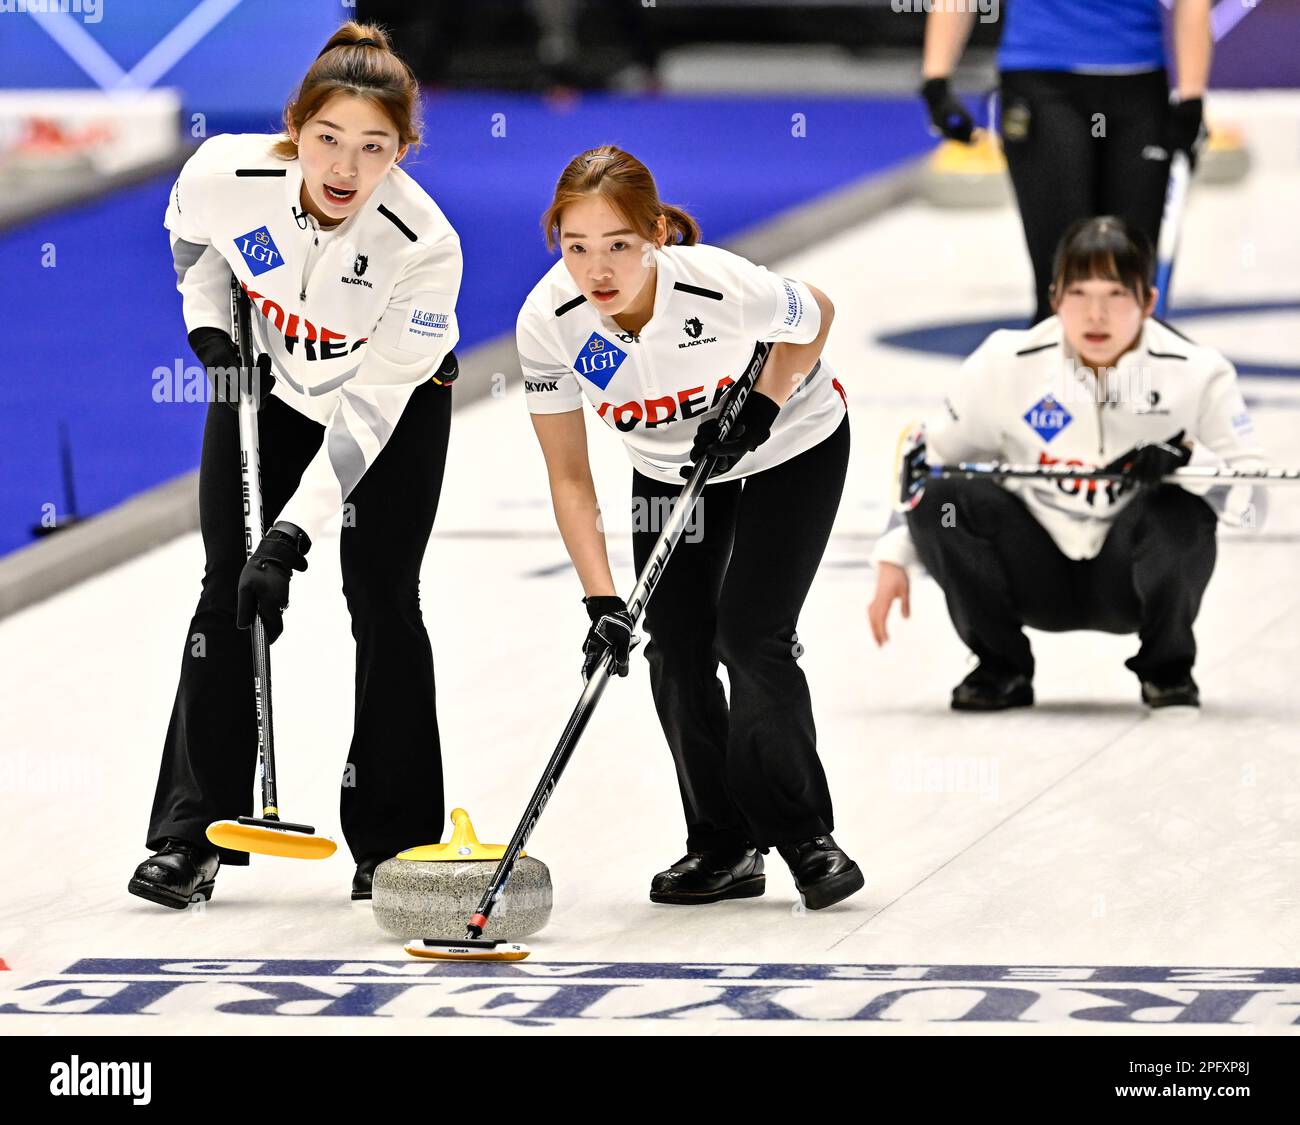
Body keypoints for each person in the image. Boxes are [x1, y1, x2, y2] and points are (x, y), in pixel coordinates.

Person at [131, 22, 462, 909]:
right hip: (267, 387)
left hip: (391, 406)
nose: (345, 168)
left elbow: (365, 418)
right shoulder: (225, 173)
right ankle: (190, 833)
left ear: (404, 149)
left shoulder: (422, 245)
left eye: (374, 147)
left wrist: (288, 538)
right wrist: (207, 326)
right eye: (327, 139)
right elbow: (189, 236)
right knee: (222, 592)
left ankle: (394, 842)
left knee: (385, 601)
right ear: (294, 127)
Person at [516, 145, 863, 911]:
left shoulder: (714, 281)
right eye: (576, 248)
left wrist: (766, 401)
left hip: (790, 448)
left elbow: (818, 313)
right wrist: (600, 601)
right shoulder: (549, 322)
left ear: (657, 234)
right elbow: (569, 474)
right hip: (674, 477)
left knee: (750, 634)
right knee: (674, 646)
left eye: (618, 246)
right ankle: (723, 843)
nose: (597, 270)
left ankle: (805, 833)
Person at [868, 216, 1266, 711]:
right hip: (1034, 571)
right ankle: (1001, 667)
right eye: (1079, 294)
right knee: (944, 497)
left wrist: (1188, 464)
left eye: (1116, 295)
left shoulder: (1200, 373)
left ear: (1148, 301)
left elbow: (1254, 504)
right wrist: (892, 556)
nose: (1095, 315)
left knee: (1182, 509)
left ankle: (1168, 668)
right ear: (1055, 297)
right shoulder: (1004, 362)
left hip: (1130, 577)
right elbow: (928, 462)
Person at [920, 0, 1213, 324]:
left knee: (1129, 278)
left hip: (1137, 85)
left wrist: (1191, 96)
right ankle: (1055, 369)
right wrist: (937, 80)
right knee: (1062, 276)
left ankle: (1128, 374)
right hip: (1041, 80)